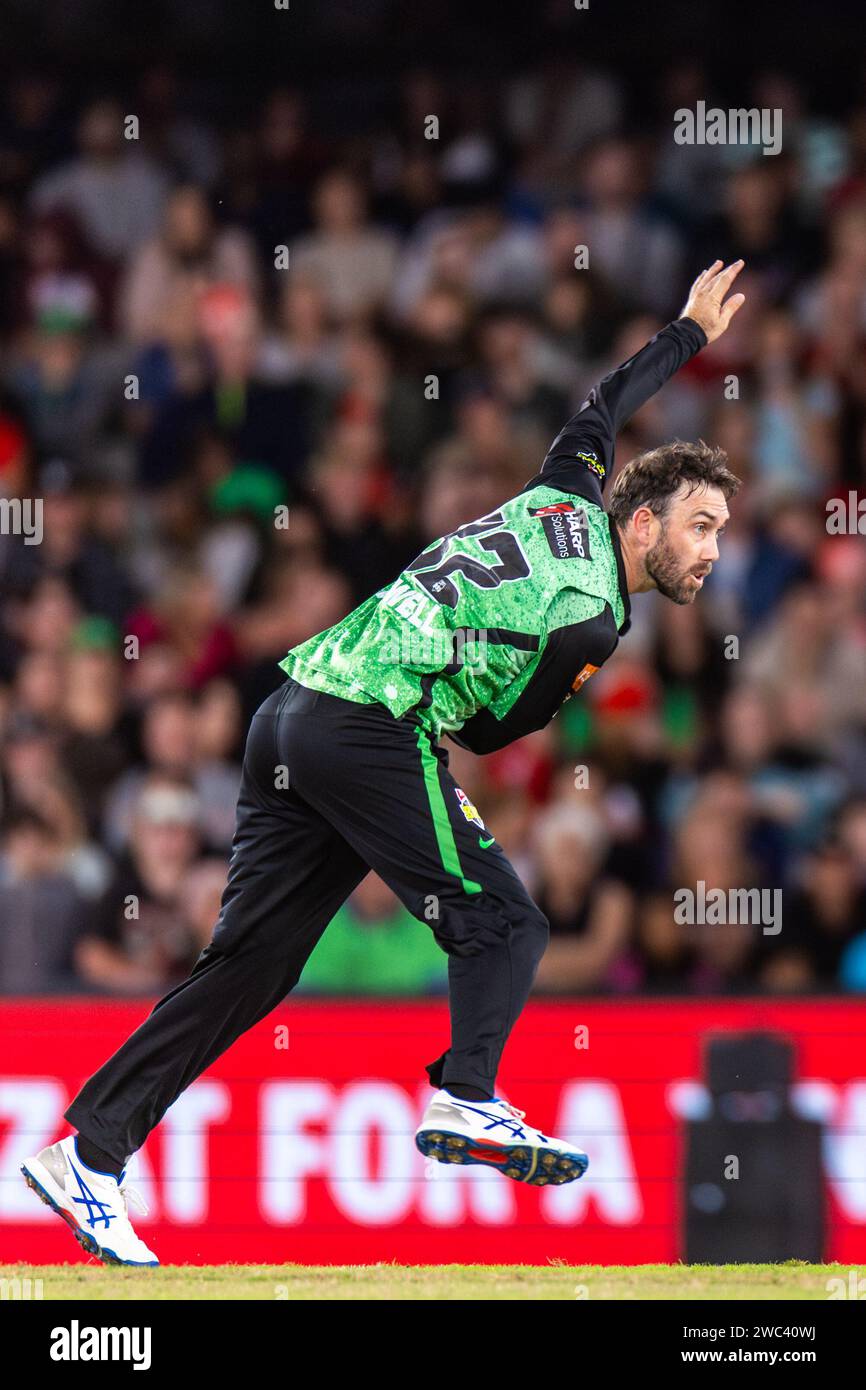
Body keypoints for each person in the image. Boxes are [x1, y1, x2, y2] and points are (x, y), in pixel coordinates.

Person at [21, 260, 745, 1265]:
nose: (710, 551)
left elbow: (600, 402)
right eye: (699, 525)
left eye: (719, 530)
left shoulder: (564, 487)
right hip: (366, 724)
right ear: (641, 522)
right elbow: (491, 735)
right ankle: (468, 1096)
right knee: (506, 920)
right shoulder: (588, 622)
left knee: (253, 966)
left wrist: (682, 333)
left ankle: (87, 1155)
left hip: (288, 712)